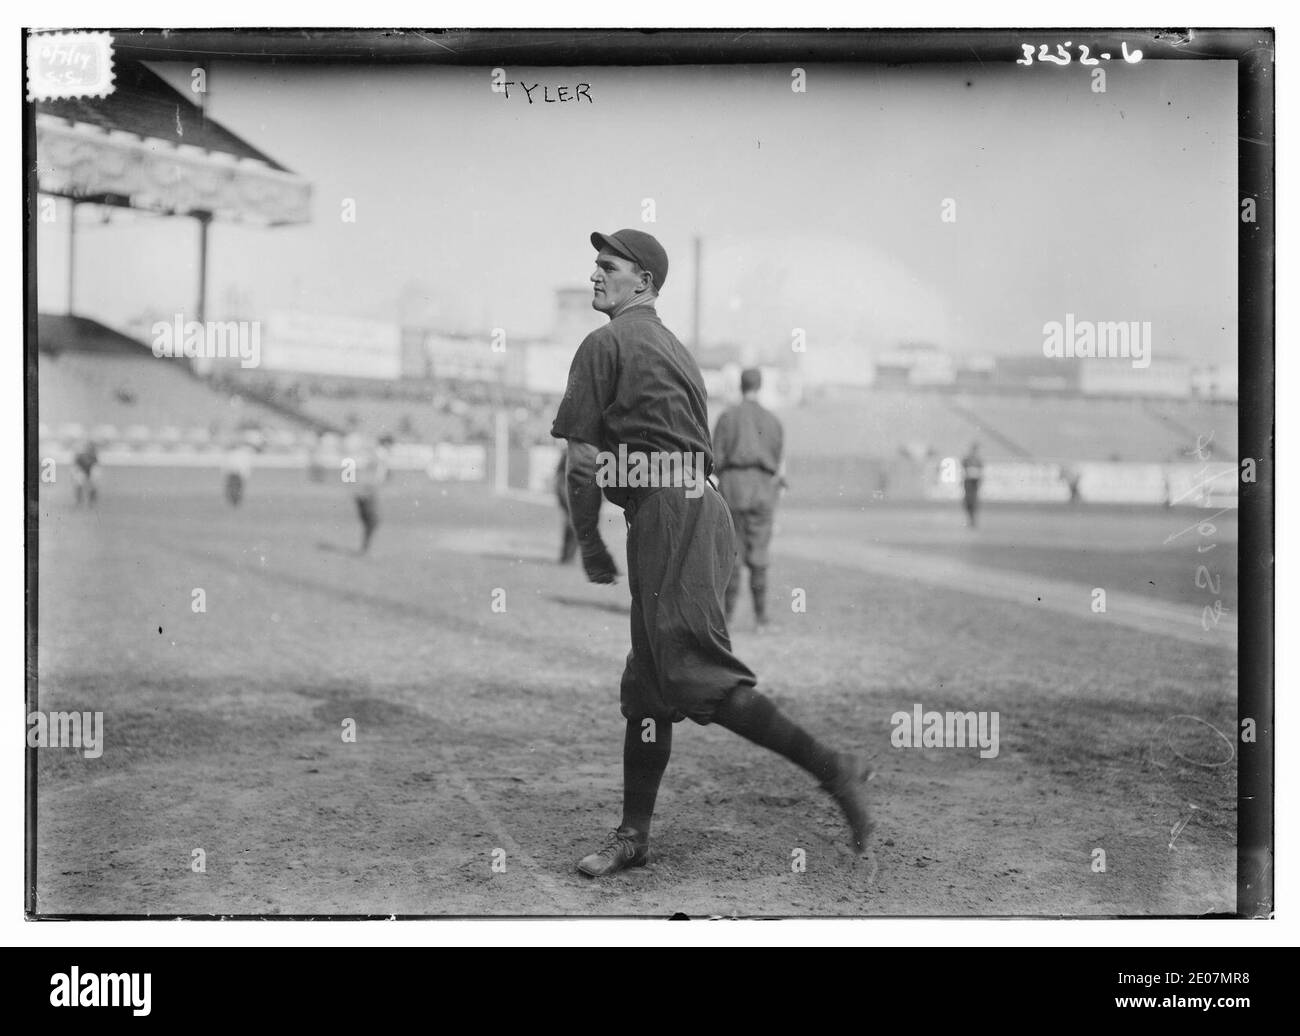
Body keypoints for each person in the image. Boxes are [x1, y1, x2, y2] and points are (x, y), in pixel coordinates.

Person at [552, 228, 874, 878]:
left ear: (641, 279)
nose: (594, 276)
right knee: (647, 686)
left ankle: (832, 768)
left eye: (606, 267)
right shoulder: (673, 346)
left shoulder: (604, 343)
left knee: (694, 673)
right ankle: (633, 837)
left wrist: (588, 543)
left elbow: (583, 465)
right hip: (693, 509)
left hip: (673, 515)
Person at [712, 367, 786, 629]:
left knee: (733, 554)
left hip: (733, 488)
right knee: (759, 555)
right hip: (763, 490)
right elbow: (777, 461)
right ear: (760, 385)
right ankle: (761, 618)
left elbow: (715, 459)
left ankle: (727, 618)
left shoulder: (727, 417)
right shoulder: (772, 420)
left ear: (741, 386)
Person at [350, 433, 392, 554]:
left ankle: (365, 547)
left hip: (364, 490)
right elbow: (374, 473)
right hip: (367, 491)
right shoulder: (379, 454)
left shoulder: (376, 454)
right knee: (373, 521)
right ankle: (365, 548)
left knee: (370, 521)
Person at [554, 451, 579, 564]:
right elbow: (560, 477)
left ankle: (568, 557)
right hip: (568, 494)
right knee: (572, 525)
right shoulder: (568, 452)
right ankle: (566, 557)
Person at [961, 441, 984, 528]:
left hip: (974, 483)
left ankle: (972, 520)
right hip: (968, 483)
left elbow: (980, 471)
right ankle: (970, 520)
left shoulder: (978, 460)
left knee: (973, 502)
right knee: (968, 502)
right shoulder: (967, 459)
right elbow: (963, 466)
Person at [72, 438, 99, 508]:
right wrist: (77, 473)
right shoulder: (80, 455)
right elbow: (76, 465)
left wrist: (93, 474)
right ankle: (79, 501)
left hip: (89, 471)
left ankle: (91, 502)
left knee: (91, 486)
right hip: (81, 471)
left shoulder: (93, 455)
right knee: (79, 485)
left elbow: (95, 465)